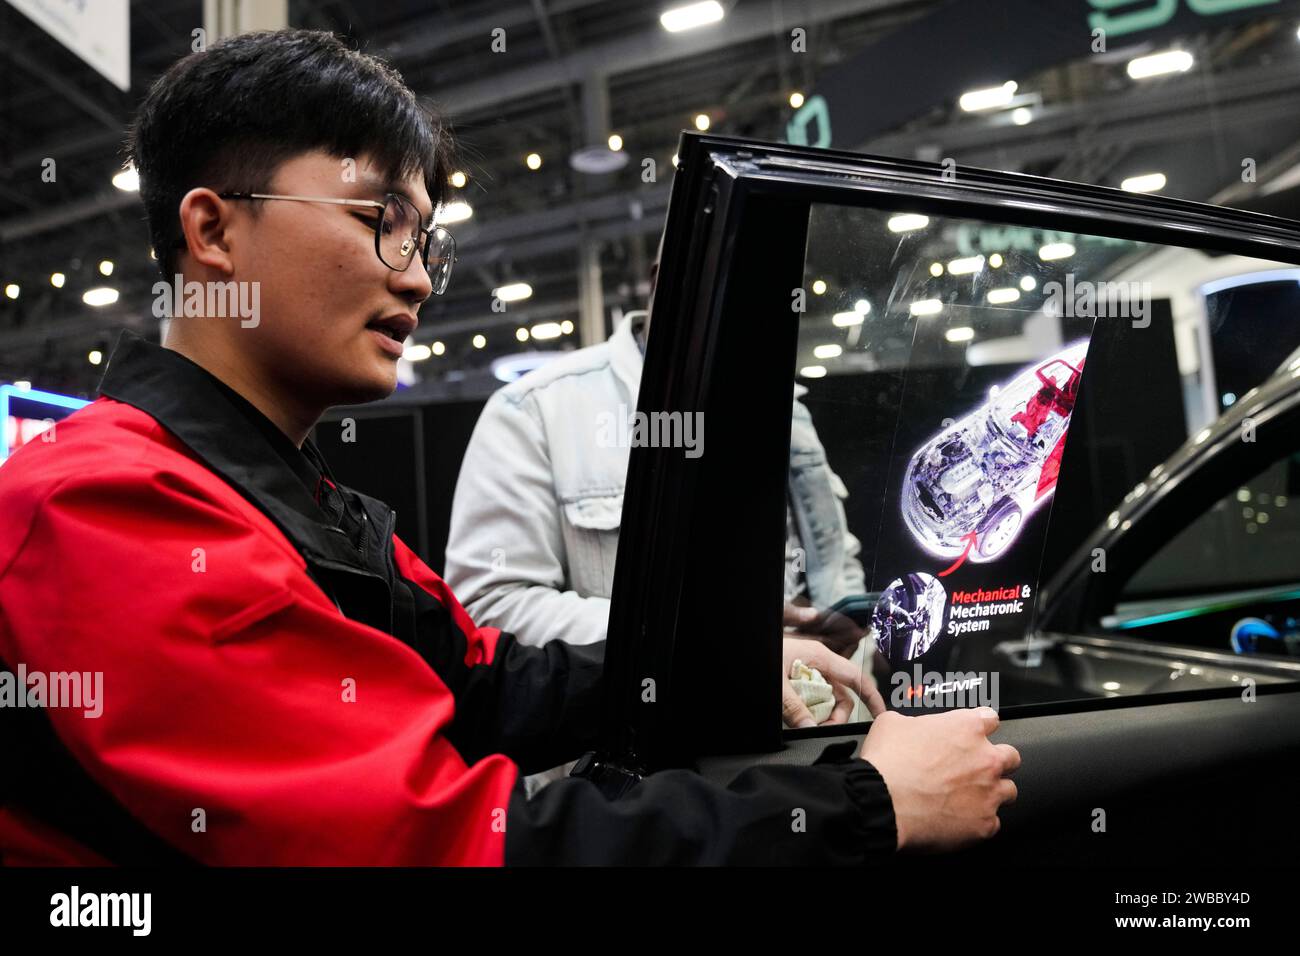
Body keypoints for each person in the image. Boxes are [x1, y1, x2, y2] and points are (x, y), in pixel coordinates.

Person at [0, 29, 1018, 865]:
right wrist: (865, 804)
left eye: (426, 238)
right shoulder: (102, 504)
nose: (418, 278)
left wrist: (733, 668)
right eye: (379, 221)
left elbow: (487, 676)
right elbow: (438, 844)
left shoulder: (304, 505)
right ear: (214, 232)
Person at [446, 300, 878, 728]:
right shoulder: (538, 409)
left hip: (817, 740)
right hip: (646, 767)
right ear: (659, 279)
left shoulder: (786, 407)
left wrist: (842, 640)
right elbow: (491, 610)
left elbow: (838, 554)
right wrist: (709, 648)